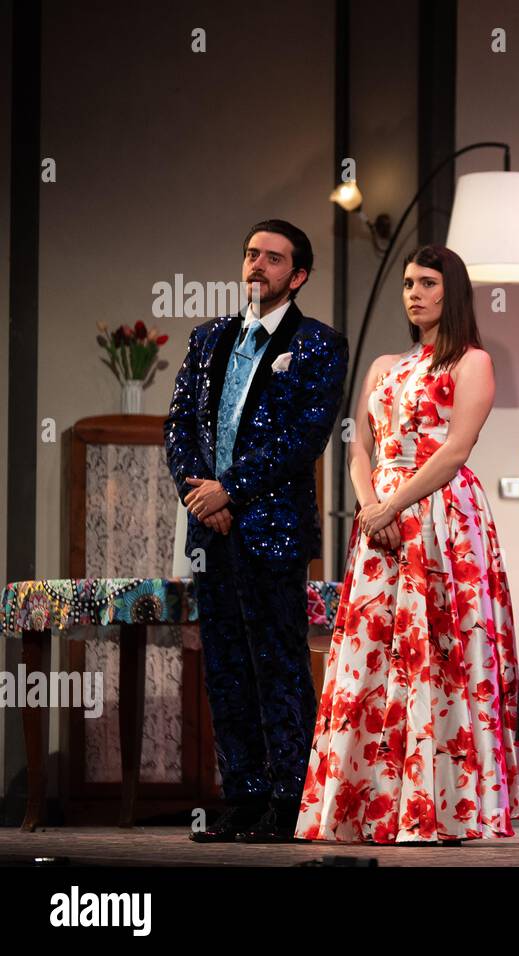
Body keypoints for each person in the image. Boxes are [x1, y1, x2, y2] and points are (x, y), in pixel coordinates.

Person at [295, 245, 519, 844]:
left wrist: (395, 504)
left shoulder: (472, 360)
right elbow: (355, 445)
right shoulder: (380, 366)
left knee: (445, 655)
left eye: (428, 283)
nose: (414, 293)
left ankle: (445, 808)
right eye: (407, 283)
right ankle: (368, 806)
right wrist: (368, 503)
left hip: (442, 517)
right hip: (379, 521)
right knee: (375, 658)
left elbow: (456, 450)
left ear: (451, 292)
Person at [164, 219, 349, 843]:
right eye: (250, 254)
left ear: (296, 276)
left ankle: (288, 801)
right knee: (225, 669)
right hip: (210, 530)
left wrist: (232, 490)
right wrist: (201, 493)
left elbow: (305, 437)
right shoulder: (209, 337)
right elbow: (180, 425)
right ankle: (241, 800)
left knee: (277, 665)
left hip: (270, 529)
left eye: (272, 259)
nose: (256, 266)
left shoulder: (320, 344)